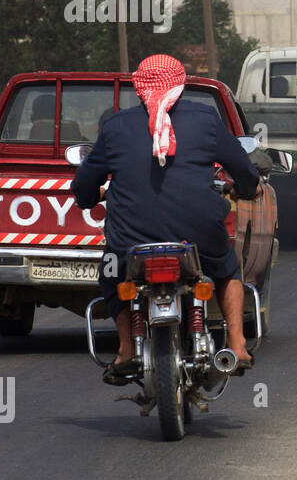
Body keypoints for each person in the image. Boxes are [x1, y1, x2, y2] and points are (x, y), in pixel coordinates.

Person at [73, 54, 262, 385]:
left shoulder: (115, 126)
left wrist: (89, 197)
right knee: (227, 267)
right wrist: (246, 189)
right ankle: (237, 343)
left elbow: (84, 185)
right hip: (199, 235)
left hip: (130, 241)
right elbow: (244, 169)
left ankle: (127, 349)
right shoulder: (206, 119)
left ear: (138, 86)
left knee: (110, 272)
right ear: (182, 84)